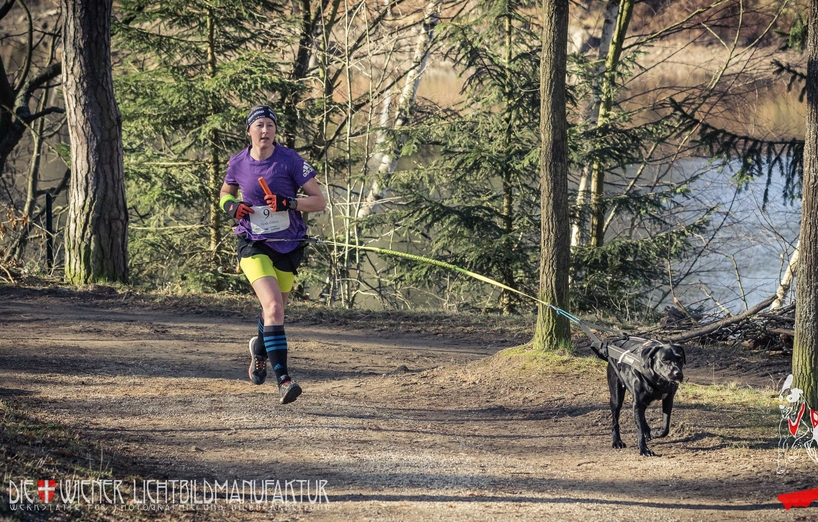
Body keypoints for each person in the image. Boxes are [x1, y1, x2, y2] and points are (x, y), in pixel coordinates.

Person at [219, 105, 326, 404]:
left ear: (275, 130)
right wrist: (231, 207)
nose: (265, 131)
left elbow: (319, 202)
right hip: (253, 243)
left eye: (270, 125)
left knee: (274, 312)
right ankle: (284, 379)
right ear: (249, 131)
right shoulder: (238, 162)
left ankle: (259, 349)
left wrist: (289, 203)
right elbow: (224, 194)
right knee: (274, 307)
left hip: (289, 243)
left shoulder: (290, 160)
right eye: (259, 125)